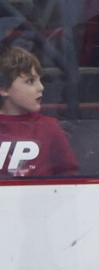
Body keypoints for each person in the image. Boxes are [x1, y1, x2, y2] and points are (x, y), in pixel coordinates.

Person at [0, 45, 77, 178]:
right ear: (4, 89)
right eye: (30, 81)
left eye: (40, 80)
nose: (41, 87)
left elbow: (69, 176)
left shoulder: (50, 128)